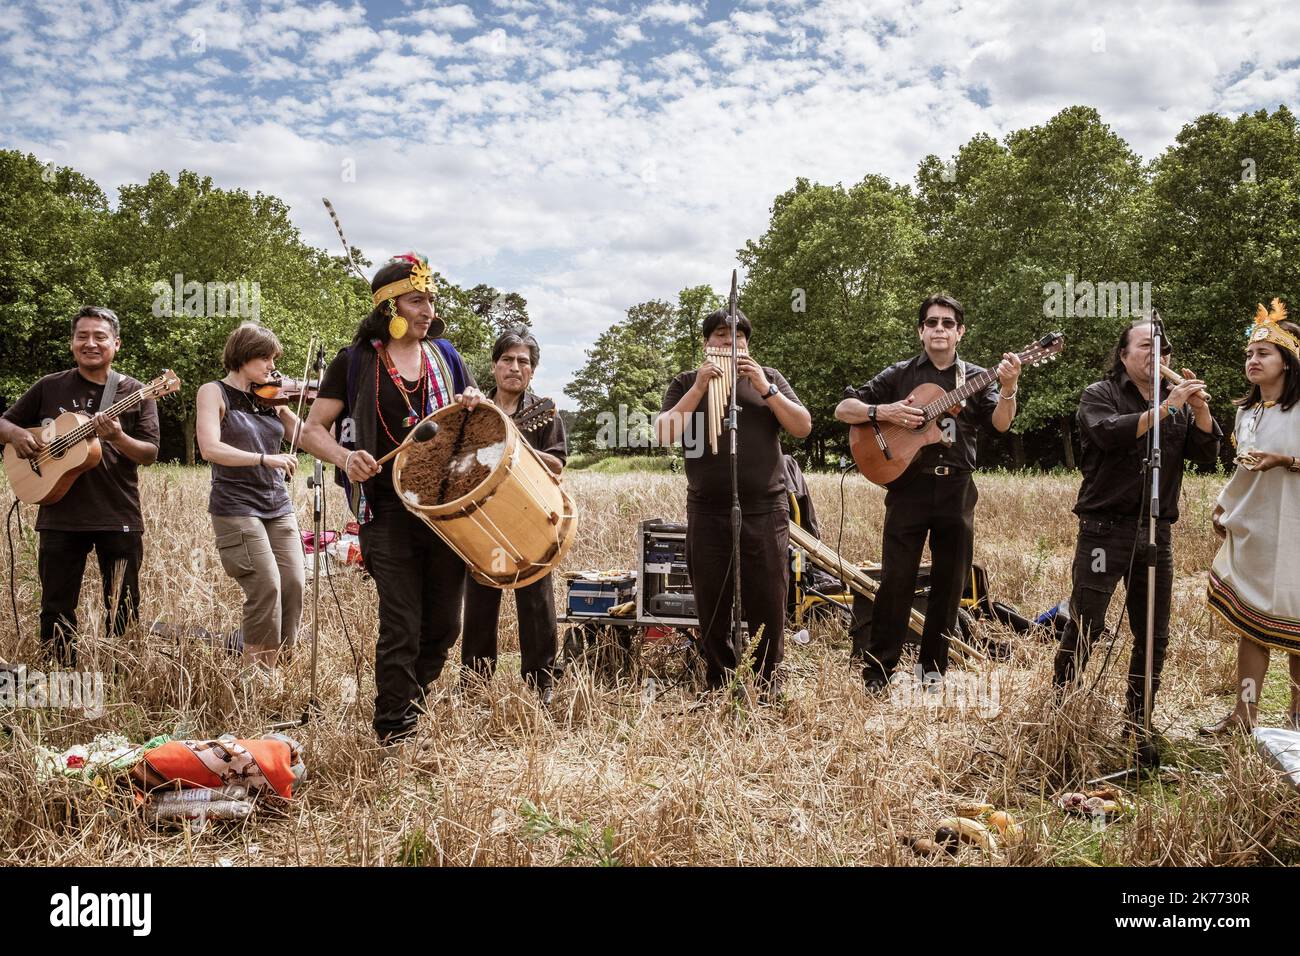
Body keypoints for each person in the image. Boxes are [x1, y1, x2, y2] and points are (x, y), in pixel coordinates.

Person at [300, 253, 482, 744]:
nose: (428, 309)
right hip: (386, 511)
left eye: (430, 300)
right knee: (402, 622)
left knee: (444, 626)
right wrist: (344, 457)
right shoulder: (354, 362)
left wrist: (473, 401)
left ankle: (411, 701)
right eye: (417, 300)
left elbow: (475, 412)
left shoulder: (446, 356)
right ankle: (393, 728)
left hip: (445, 509)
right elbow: (312, 431)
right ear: (389, 306)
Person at [835, 293, 1021, 691]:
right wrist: (885, 412)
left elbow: (1001, 425)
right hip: (908, 489)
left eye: (948, 323)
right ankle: (877, 674)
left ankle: (931, 676)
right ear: (921, 331)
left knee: (949, 584)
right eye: (932, 322)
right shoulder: (899, 375)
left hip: (956, 488)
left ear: (960, 333)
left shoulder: (974, 379)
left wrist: (1009, 388)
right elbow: (843, 409)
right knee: (896, 581)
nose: (940, 329)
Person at [1051, 318, 1220, 742]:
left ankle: (1137, 723)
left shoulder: (1178, 400)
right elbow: (1109, 434)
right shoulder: (1100, 395)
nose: (1156, 355)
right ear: (1124, 355)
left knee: (1153, 632)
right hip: (1104, 529)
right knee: (1087, 622)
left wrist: (1199, 410)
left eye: (1162, 348)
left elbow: (1206, 455)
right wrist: (1164, 410)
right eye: (1145, 346)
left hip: (1156, 533)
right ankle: (1059, 710)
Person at [656, 307, 811, 700]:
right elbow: (663, 434)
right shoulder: (685, 382)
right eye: (721, 336)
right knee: (712, 602)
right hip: (707, 511)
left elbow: (802, 426)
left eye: (737, 336)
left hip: (766, 509)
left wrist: (765, 388)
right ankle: (720, 682)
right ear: (707, 344)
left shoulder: (769, 379)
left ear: (747, 343)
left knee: (769, 601)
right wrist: (698, 390)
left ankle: (768, 683)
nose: (730, 343)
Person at [0, 306, 160, 666]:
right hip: (59, 512)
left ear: (116, 344)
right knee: (55, 607)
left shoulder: (136, 391)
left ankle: (120, 682)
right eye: (82, 336)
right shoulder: (49, 386)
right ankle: (60, 681)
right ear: (72, 343)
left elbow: (149, 453)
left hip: (117, 512)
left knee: (123, 606)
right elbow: (4, 423)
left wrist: (118, 436)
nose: (90, 343)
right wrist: (17, 434)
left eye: (100, 337)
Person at [1203, 303, 1300, 734]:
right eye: (1250, 353)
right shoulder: (1247, 413)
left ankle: (1298, 715)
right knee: (1253, 625)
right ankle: (1245, 714)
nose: (1253, 361)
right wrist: (1225, 505)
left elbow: (1276, 461)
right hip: (1259, 527)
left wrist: (1287, 460)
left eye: (1264, 353)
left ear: (1288, 362)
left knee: (1298, 624)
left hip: (1296, 526)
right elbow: (1243, 470)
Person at [461, 329, 567, 702]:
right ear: (494, 365)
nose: (515, 367)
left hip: (528, 520)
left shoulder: (545, 413)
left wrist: (516, 446)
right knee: (479, 603)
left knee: (536, 601)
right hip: (480, 521)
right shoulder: (472, 411)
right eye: (507, 359)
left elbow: (557, 464)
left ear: (532, 372)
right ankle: (474, 683)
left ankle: (543, 682)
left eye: (524, 361)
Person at [195, 323, 307, 671]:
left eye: (274, 359)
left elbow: (306, 438)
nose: (271, 366)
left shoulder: (270, 398)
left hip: (276, 503)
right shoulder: (214, 392)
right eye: (265, 358)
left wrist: (287, 408)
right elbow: (209, 448)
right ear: (243, 356)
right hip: (236, 504)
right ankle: (258, 672)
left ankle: (282, 662)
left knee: (293, 583)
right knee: (267, 585)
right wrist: (264, 458)